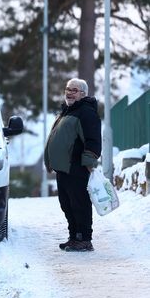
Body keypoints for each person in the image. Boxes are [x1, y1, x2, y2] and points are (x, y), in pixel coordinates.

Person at [43, 77, 101, 252]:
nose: (69, 92)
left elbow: (93, 140)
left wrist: (89, 162)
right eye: (68, 89)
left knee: (79, 204)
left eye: (74, 90)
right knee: (67, 204)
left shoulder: (86, 112)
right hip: (64, 168)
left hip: (77, 167)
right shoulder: (68, 111)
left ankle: (84, 239)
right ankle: (74, 236)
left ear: (83, 94)